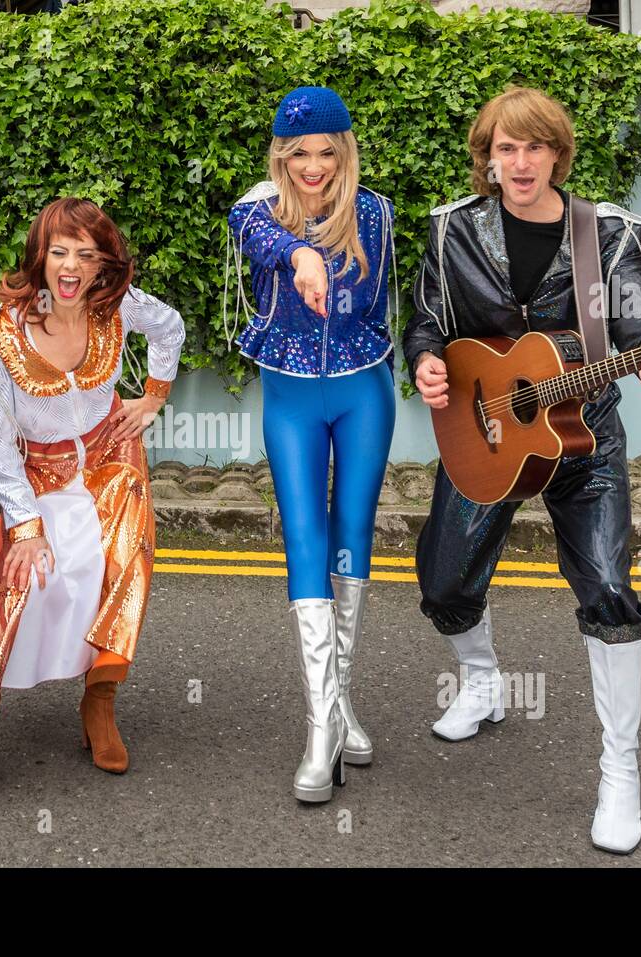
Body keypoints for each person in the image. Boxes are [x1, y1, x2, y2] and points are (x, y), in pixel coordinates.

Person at [402, 86, 641, 854]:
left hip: (584, 438)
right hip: (485, 430)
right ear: (487, 159)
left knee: (610, 589)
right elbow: (429, 319)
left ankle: (619, 772)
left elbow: (637, 314)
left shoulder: (609, 234)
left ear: (558, 154)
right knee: (445, 579)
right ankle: (484, 680)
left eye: (534, 147)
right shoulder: (452, 230)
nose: (520, 162)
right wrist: (427, 360)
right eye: (505, 148)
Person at [0, 197, 185, 807]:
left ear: (105, 264)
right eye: (59, 252)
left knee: (123, 569)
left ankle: (99, 704)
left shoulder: (117, 305)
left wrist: (153, 396)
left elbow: (169, 326)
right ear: (39, 258)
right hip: (38, 479)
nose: (72, 266)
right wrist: (25, 526)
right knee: (23, 586)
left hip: (112, 462)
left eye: (87, 253)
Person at [225, 86, 398, 802]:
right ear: (281, 155)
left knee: (352, 544)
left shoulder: (375, 211)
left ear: (344, 152)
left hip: (363, 391)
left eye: (328, 152)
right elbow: (259, 240)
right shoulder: (254, 210)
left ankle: (341, 700)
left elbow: (377, 300)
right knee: (304, 540)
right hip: (291, 397)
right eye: (300, 153)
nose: (314, 166)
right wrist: (301, 253)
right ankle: (320, 726)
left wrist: (327, 255)